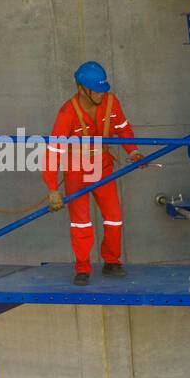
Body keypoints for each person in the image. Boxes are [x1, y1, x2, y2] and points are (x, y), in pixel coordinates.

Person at [43, 61, 143, 286]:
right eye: (96, 90)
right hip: (76, 168)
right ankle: (82, 268)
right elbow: (53, 151)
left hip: (102, 165)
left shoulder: (111, 102)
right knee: (81, 223)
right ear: (81, 89)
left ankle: (112, 261)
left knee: (114, 218)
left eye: (103, 89)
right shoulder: (67, 112)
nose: (101, 93)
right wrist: (52, 189)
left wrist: (134, 151)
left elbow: (123, 129)